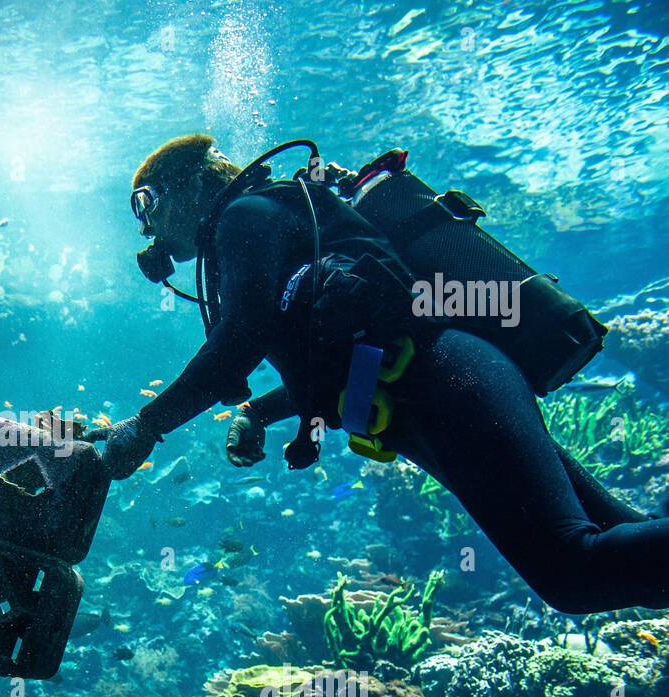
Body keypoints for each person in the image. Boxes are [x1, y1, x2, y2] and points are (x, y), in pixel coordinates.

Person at [86, 133, 669, 615]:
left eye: (146, 203)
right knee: (628, 540)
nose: (146, 229)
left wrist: (145, 426)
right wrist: (259, 411)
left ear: (190, 185)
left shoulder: (244, 216)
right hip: (441, 388)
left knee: (574, 569)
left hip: (445, 385)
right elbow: (335, 352)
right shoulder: (273, 220)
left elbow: (237, 343)